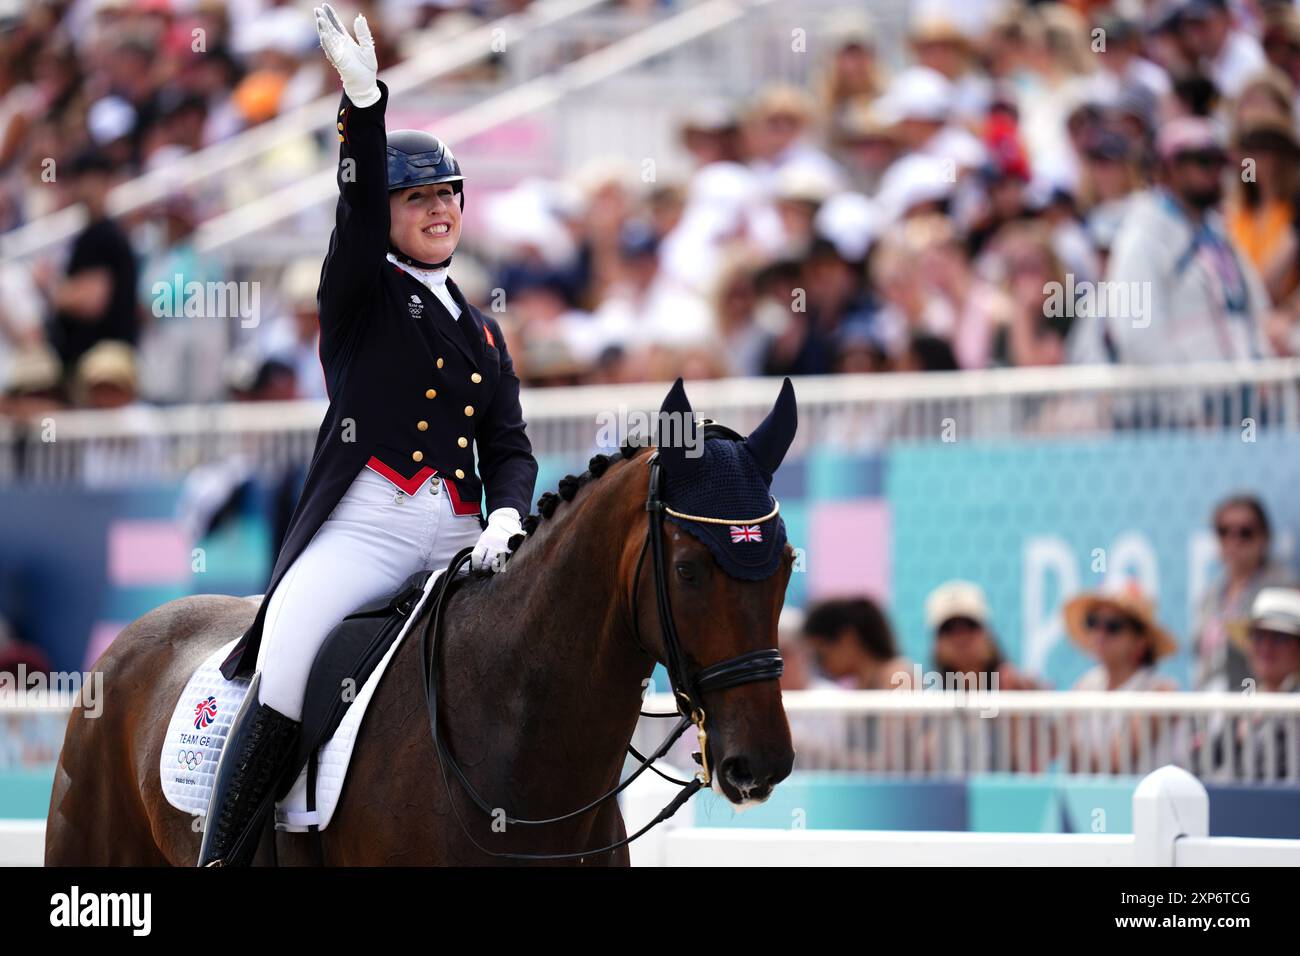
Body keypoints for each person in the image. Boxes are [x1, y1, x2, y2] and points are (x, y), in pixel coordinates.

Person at [199, 5, 538, 867]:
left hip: (459, 532)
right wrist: (366, 105)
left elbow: (509, 446)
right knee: (283, 666)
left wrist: (507, 515)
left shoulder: (484, 331)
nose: (436, 210)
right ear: (387, 212)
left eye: (446, 196)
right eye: (415, 197)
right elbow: (354, 208)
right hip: (367, 525)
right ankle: (227, 855)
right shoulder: (362, 293)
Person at [1104, 116, 1272, 365]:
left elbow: (1259, 310)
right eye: (1203, 162)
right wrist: (1185, 395)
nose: (1215, 172)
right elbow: (1134, 334)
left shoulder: (1219, 235)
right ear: (1170, 168)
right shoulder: (1141, 237)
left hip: (1236, 397)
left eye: (1219, 163)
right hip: (1182, 399)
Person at [1064, 581, 1178, 773]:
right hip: (1092, 799)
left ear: (1140, 642)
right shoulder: (1085, 684)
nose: (1100, 633)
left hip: (1145, 802)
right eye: (1093, 622)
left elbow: (1116, 762)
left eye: (1113, 626)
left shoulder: (1160, 692)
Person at [1192, 494, 1297, 691]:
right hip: (1210, 707)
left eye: (1245, 532)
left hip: (1257, 705)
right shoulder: (1211, 595)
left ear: (1264, 537)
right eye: (1224, 531)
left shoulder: (1283, 589)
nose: (1234, 540)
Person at [926, 580, 1041, 690]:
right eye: (948, 629)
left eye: (970, 625)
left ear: (987, 634)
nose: (961, 638)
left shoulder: (1019, 694)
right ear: (937, 644)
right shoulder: (925, 699)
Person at [801, 597, 913, 690]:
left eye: (820, 655)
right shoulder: (862, 685)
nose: (821, 665)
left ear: (848, 639)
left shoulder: (896, 675)